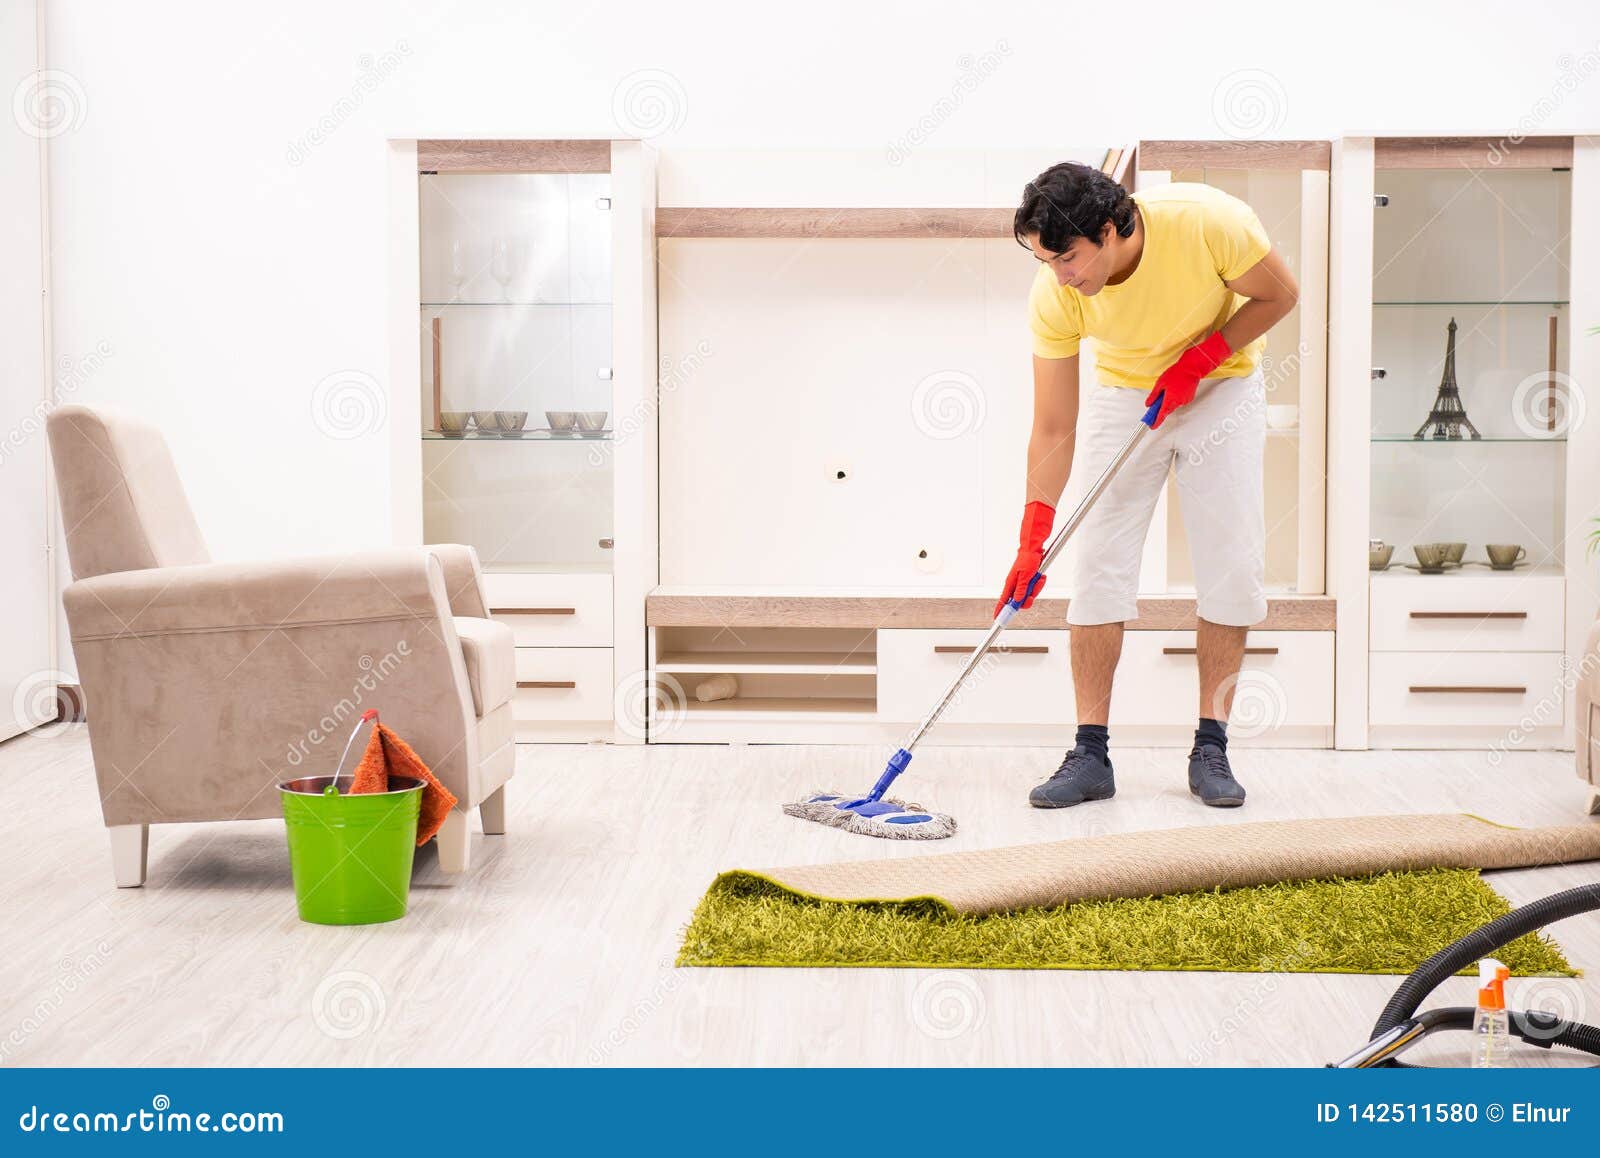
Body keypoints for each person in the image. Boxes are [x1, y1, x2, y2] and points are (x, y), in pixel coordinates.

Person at [998, 162, 1299, 809]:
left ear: (1109, 230)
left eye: (1070, 259)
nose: (1061, 276)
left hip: (1221, 385)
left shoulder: (1207, 222)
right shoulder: (1056, 292)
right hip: (1125, 391)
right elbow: (1053, 424)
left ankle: (1211, 747)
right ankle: (1090, 754)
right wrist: (1032, 534)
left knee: (1230, 565)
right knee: (1099, 563)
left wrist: (1199, 361)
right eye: (1047, 262)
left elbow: (1280, 294)